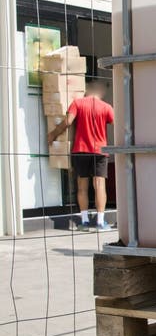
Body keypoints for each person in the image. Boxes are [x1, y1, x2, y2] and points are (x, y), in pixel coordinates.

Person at [47, 81, 115, 231]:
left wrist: (53, 134)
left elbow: (68, 122)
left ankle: (84, 222)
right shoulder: (106, 107)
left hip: (80, 150)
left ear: (86, 90)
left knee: (82, 187)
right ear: (100, 92)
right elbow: (117, 123)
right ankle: (100, 222)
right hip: (100, 151)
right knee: (99, 186)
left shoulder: (77, 103)